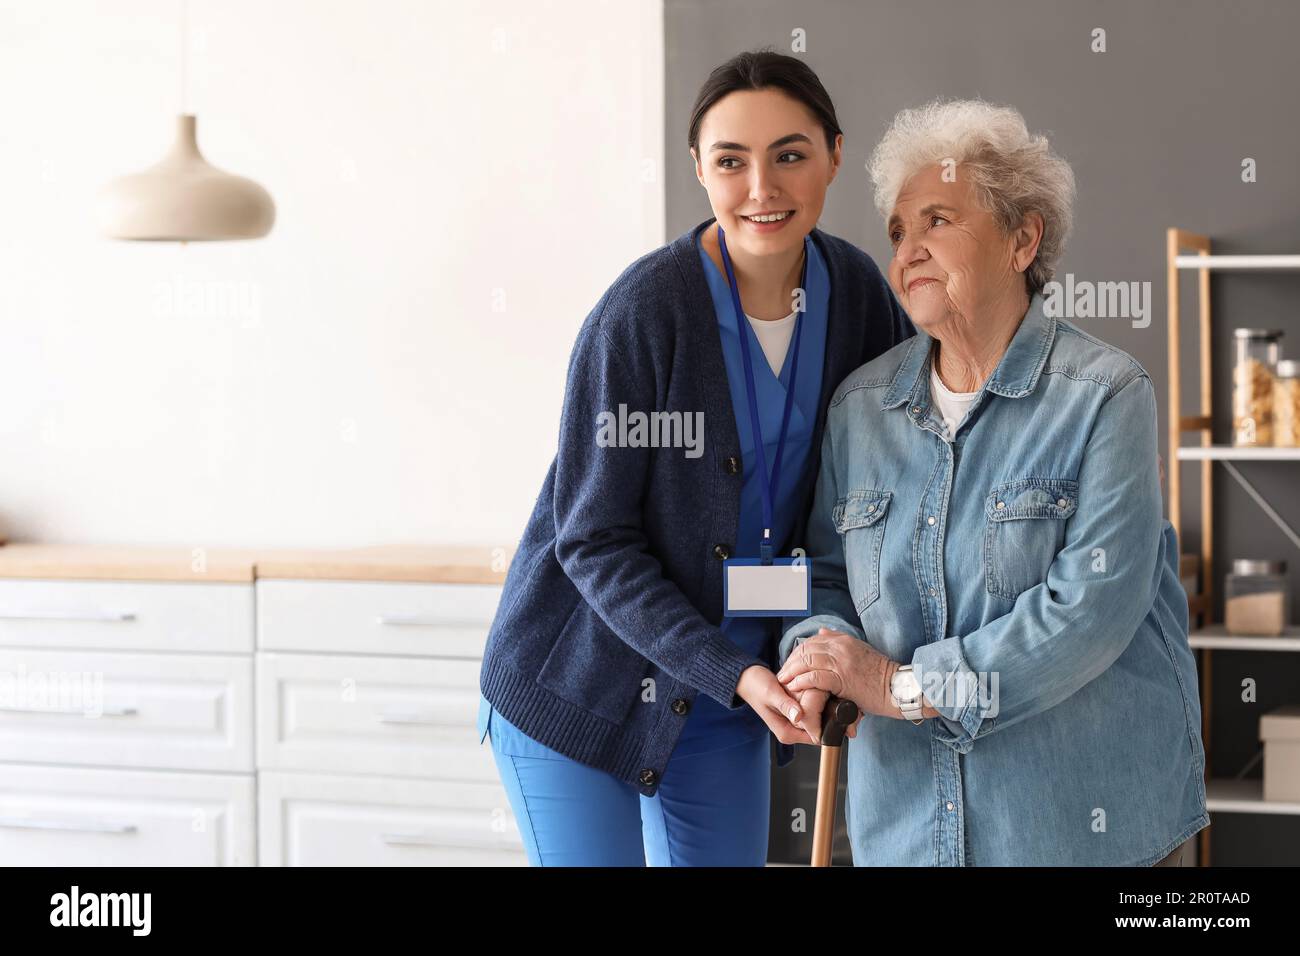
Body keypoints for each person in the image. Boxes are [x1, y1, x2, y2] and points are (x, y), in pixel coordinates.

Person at [476, 50, 912, 866]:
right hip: (581, 681)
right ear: (698, 170)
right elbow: (593, 541)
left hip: (733, 691)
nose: (762, 189)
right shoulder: (644, 315)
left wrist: (816, 647)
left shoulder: (857, 298)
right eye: (730, 161)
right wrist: (737, 671)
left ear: (834, 155)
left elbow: (879, 492)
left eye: (790, 154)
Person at [777, 98, 1209, 866]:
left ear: (1022, 239)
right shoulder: (859, 408)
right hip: (907, 834)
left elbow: (1089, 613)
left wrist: (900, 686)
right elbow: (822, 580)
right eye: (899, 232)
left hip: (1077, 832)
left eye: (938, 220)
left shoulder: (1107, 394)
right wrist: (817, 653)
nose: (909, 249)